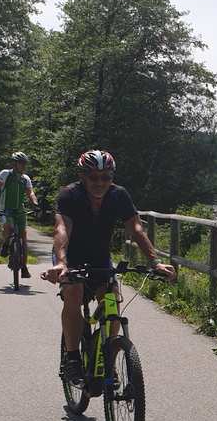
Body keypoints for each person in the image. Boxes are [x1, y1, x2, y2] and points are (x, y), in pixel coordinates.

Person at [41, 150, 176, 383]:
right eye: (93, 177)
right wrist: (61, 263)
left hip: (100, 258)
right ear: (82, 176)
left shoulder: (119, 196)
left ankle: (110, 358)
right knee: (74, 293)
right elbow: (62, 229)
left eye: (106, 177)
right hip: (70, 257)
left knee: (112, 302)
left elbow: (136, 229)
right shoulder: (69, 195)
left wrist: (154, 261)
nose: (100, 183)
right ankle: (72, 357)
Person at [0, 151, 38, 278]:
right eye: (22, 164)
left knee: (23, 237)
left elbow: (30, 193)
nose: (24, 166)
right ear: (15, 164)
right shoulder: (5, 174)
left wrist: (35, 203)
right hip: (6, 208)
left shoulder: (25, 178)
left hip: (20, 210)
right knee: (8, 228)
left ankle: (24, 267)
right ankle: (5, 244)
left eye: (25, 164)